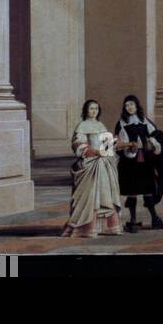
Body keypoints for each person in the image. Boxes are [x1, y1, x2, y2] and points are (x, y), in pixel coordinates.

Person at [60, 98, 125, 238]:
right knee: (90, 197)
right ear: (86, 111)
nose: (94, 111)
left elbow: (107, 147)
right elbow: (78, 146)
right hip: (90, 165)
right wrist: (96, 152)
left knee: (105, 195)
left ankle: (106, 228)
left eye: (96, 108)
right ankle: (87, 228)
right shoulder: (82, 126)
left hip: (104, 165)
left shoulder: (101, 125)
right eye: (91, 108)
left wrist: (121, 144)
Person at [114, 94, 163, 230]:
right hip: (129, 162)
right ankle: (133, 220)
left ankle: (155, 218)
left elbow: (155, 135)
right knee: (132, 190)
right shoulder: (121, 123)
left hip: (145, 160)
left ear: (137, 106)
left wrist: (152, 144)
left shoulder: (144, 121)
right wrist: (129, 147)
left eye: (131, 104)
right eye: (127, 105)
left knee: (148, 189)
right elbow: (117, 143)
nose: (129, 107)